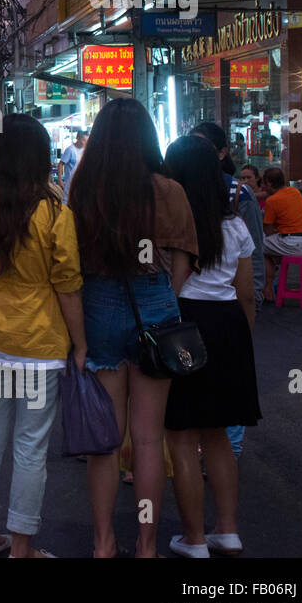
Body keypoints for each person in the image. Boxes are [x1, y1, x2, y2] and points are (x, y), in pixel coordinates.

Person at [67, 98, 198, 559]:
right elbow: (182, 260)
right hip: (156, 307)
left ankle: (103, 544)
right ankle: (145, 546)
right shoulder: (169, 190)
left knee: (105, 441)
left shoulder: (83, 189)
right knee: (147, 440)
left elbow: (72, 266)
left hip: (98, 305)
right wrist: (162, 297)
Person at [0, 115, 85, 559]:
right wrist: (81, 344)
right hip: (39, 343)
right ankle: (21, 548)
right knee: (30, 449)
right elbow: (68, 283)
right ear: (39, 159)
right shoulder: (55, 213)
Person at [162, 135, 260, 558]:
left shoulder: (175, 228)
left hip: (187, 327)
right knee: (218, 435)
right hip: (228, 327)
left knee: (182, 438)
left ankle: (194, 539)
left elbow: (172, 290)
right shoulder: (235, 225)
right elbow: (247, 295)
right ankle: (229, 531)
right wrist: (243, 340)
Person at [190, 122, 263, 460]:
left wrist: (255, 301)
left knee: (192, 400)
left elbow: (252, 258)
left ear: (222, 154)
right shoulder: (179, 190)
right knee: (224, 391)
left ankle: (209, 454)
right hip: (225, 312)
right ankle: (226, 454)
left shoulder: (235, 194)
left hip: (198, 310)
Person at [260, 166, 302, 301]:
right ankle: (274, 273)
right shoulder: (294, 192)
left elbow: (267, 230)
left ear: (268, 183)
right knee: (272, 245)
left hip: (294, 243)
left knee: (257, 244)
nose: (262, 187)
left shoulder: (271, 201)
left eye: (264, 183)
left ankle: (267, 288)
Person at [59, 129, 87, 201]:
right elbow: (61, 164)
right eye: (83, 140)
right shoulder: (70, 150)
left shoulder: (85, 150)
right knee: (67, 202)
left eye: (87, 140)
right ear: (77, 138)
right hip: (69, 183)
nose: (85, 142)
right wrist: (60, 180)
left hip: (80, 183)